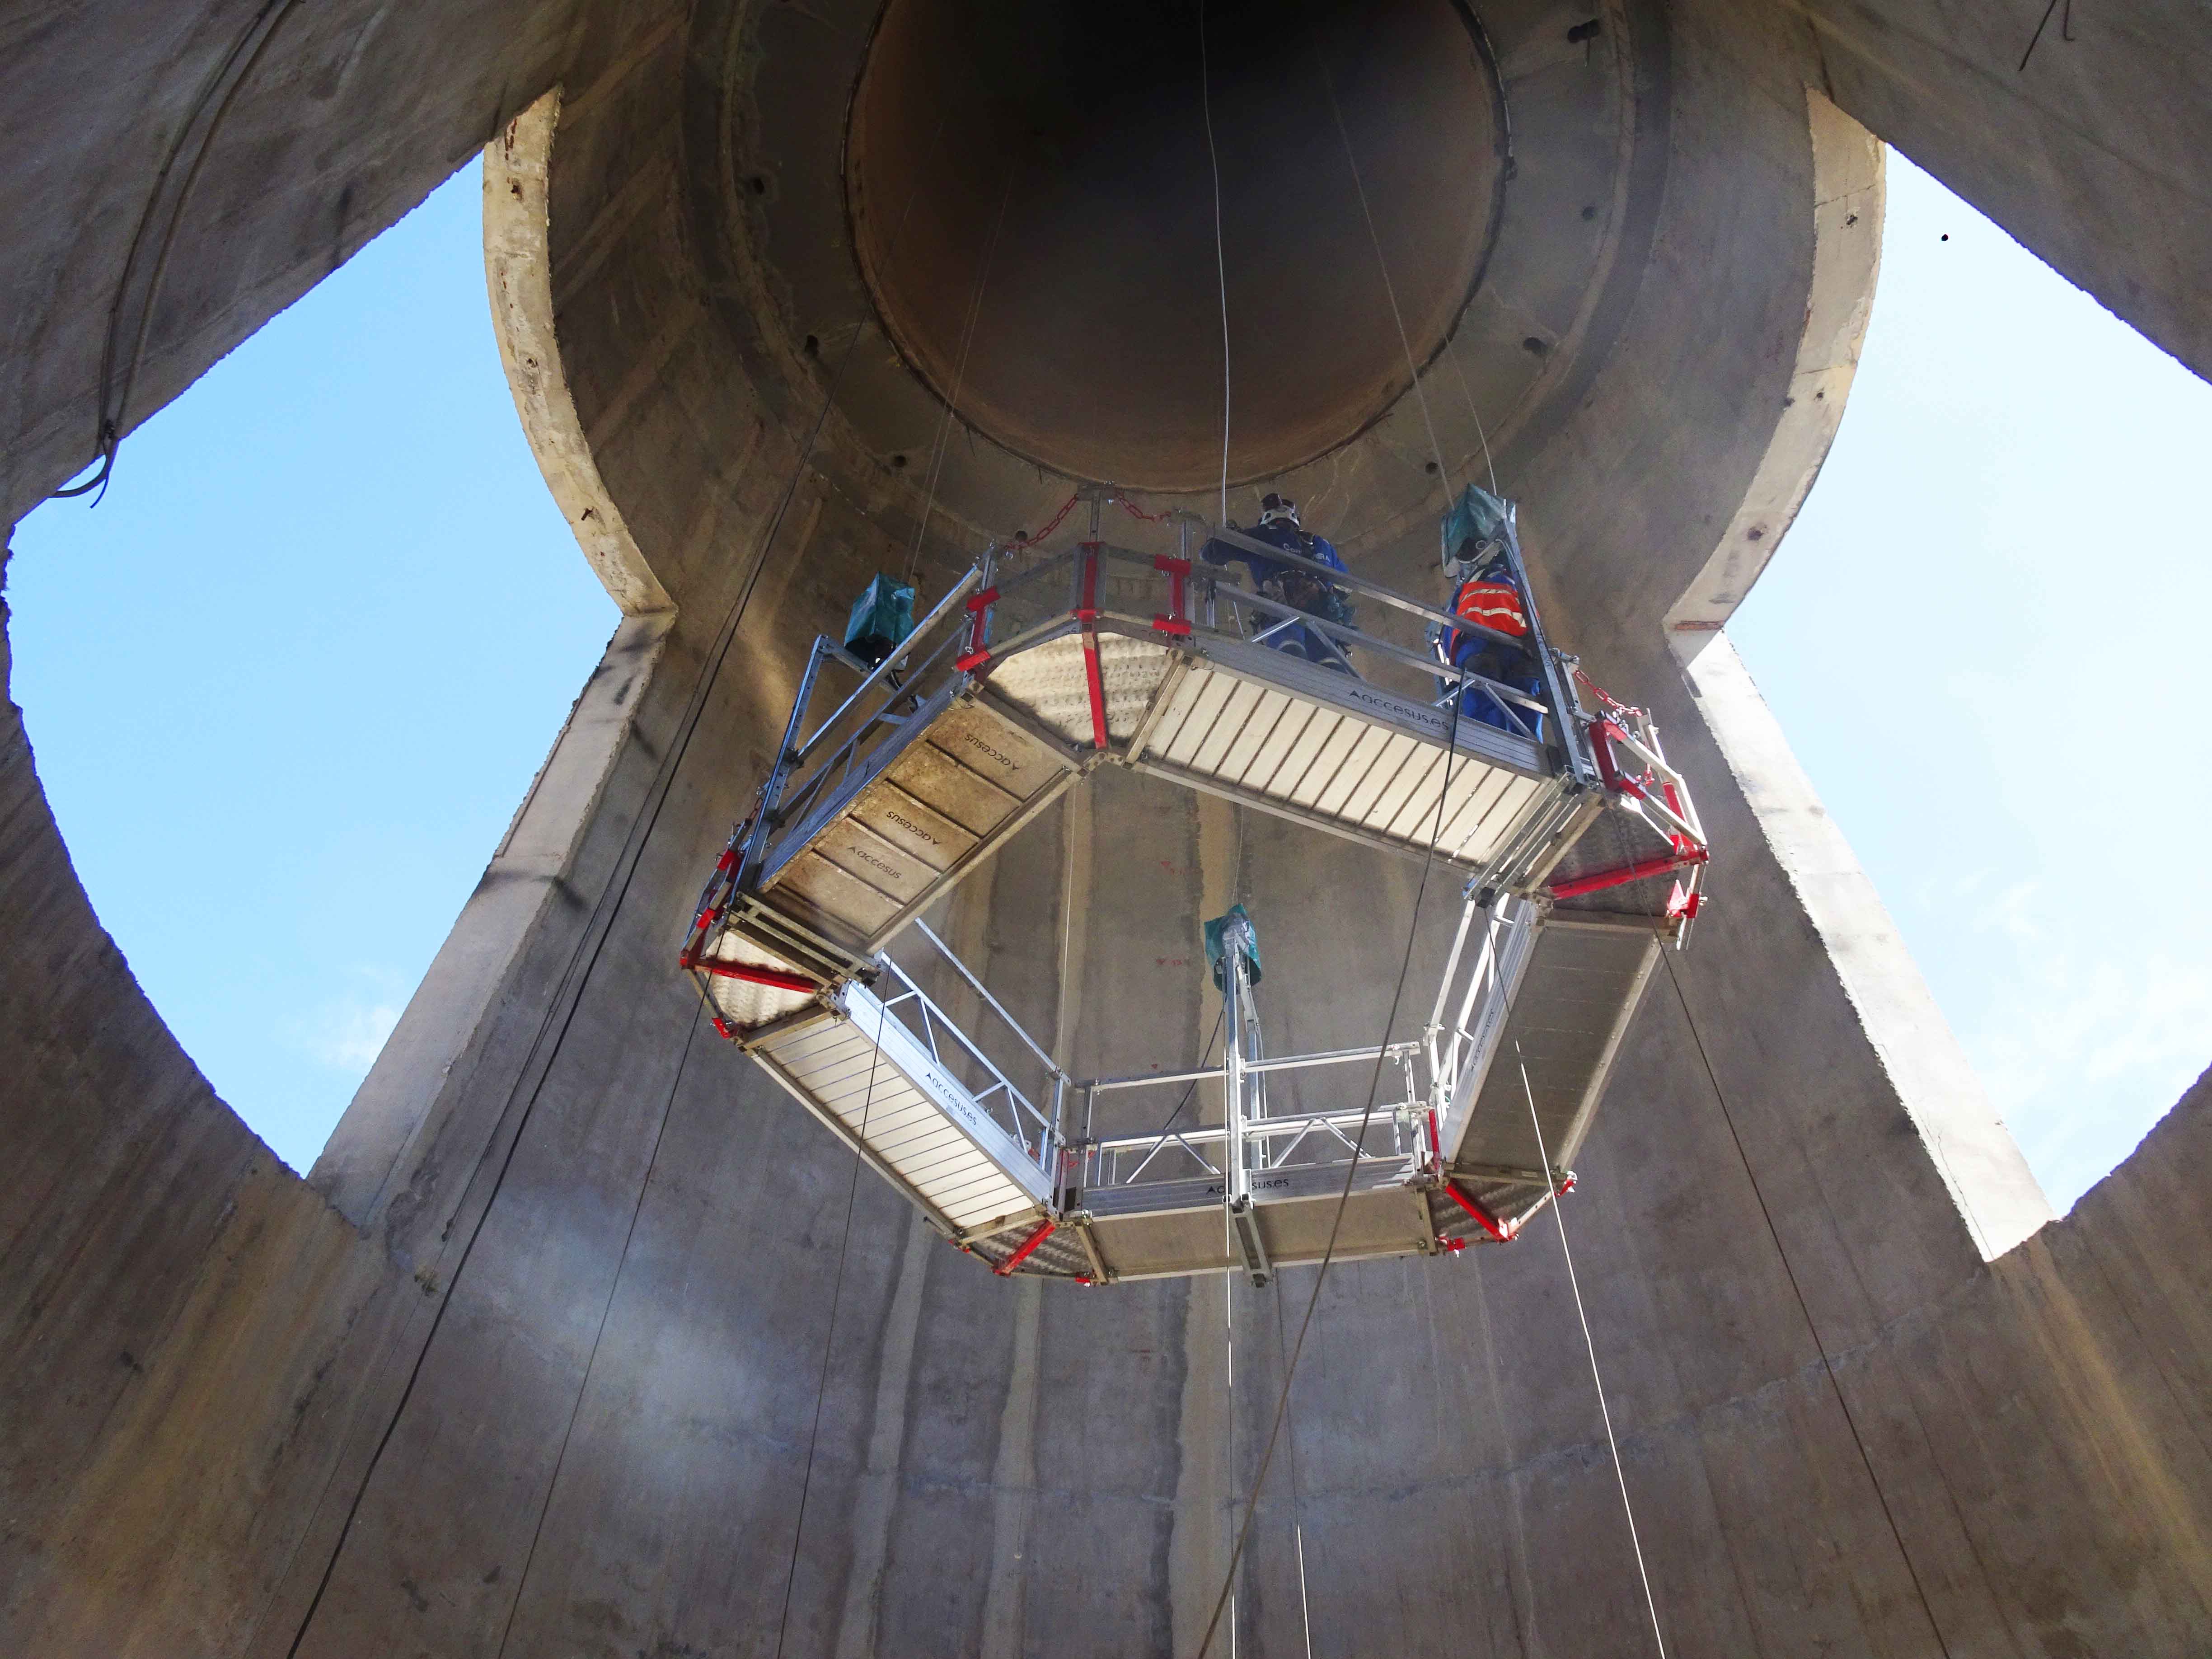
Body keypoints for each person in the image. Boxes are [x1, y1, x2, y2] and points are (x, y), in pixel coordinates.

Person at [1436, 484, 1546, 740]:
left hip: (1480, 649)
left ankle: (1490, 747)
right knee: (1527, 719)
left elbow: (1450, 631)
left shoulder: (1468, 588)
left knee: (1485, 716)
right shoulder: (1514, 583)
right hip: (1520, 653)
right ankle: (1528, 751)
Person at [1199, 493, 1355, 671]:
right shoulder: (1320, 544)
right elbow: (1346, 586)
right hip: (1321, 613)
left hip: (1282, 607)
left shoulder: (1264, 534)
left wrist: (1230, 536)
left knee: (1289, 649)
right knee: (1329, 660)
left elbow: (1211, 553)